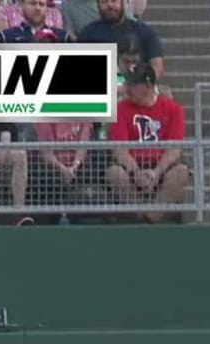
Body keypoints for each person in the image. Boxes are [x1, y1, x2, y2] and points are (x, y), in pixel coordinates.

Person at [106, 65, 189, 223]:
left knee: (181, 172)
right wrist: (136, 172)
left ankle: (153, 215)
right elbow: (119, 149)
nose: (127, 88)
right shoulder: (120, 109)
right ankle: (140, 213)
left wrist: (156, 173)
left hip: (161, 165)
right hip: (132, 166)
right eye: (127, 83)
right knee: (114, 173)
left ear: (148, 86)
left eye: (132, 84)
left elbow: (174, 149)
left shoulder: (174, 109)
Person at [80, 0, 165, 79]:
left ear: (122, 3)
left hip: (137, 85)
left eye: (114, 1)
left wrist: (143, 84)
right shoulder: (87, 34)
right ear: (98, 5)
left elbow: (157, 66)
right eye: (104, 2)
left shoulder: (144, 32)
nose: (110, 5)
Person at [0, 0, 71, 41]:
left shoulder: (63, 36)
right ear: (22, 7)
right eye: (32, 3)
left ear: (46, 9)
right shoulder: (5, 36)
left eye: (41, 4)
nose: (37, 8)